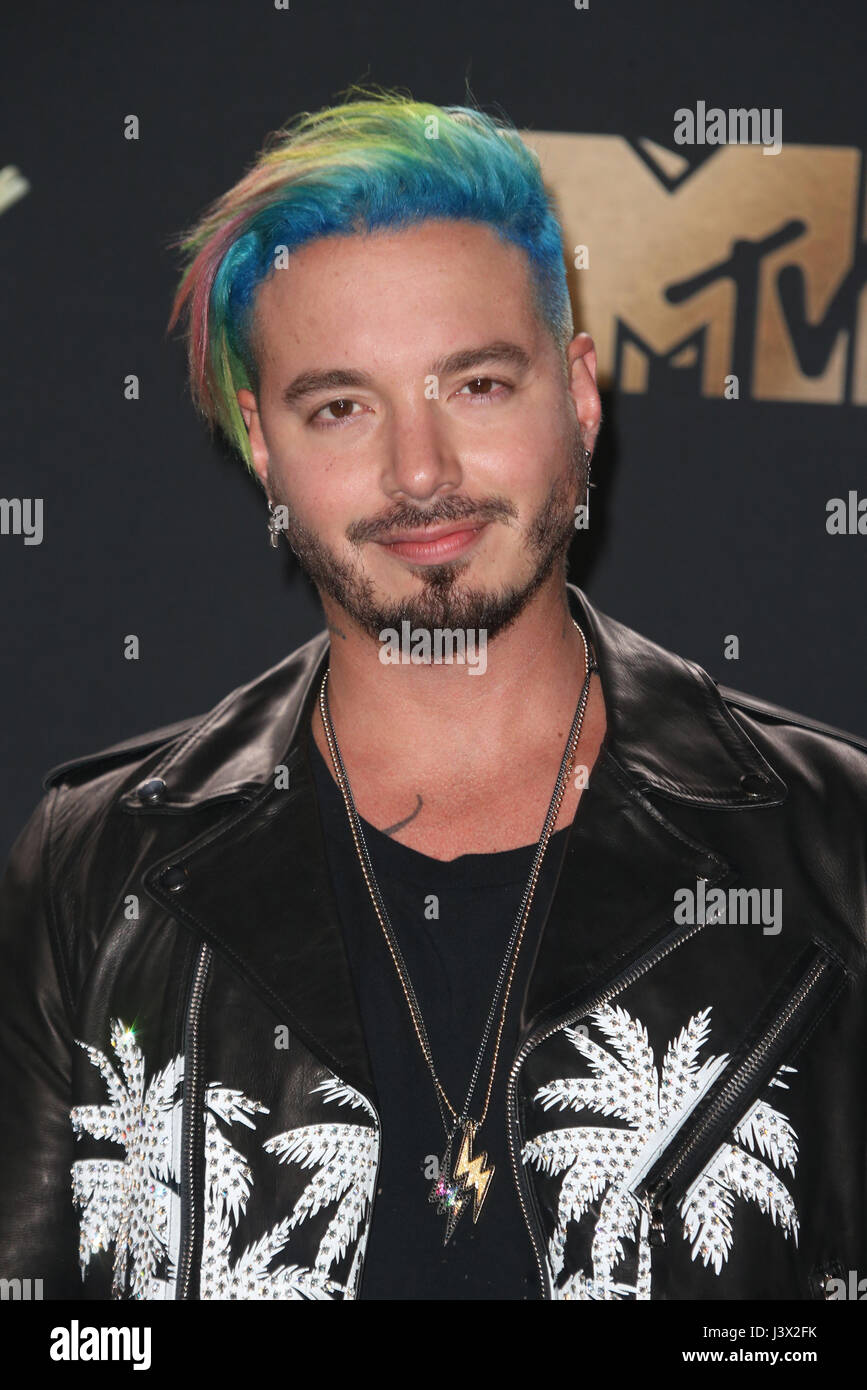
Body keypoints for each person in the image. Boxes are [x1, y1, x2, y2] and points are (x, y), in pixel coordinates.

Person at [1, 89, 865, 1302]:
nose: (421, 473)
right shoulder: (97, 871)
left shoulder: (836, 849)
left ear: (579, 395)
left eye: (477, 386)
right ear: (262, 442)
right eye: (342, 406)